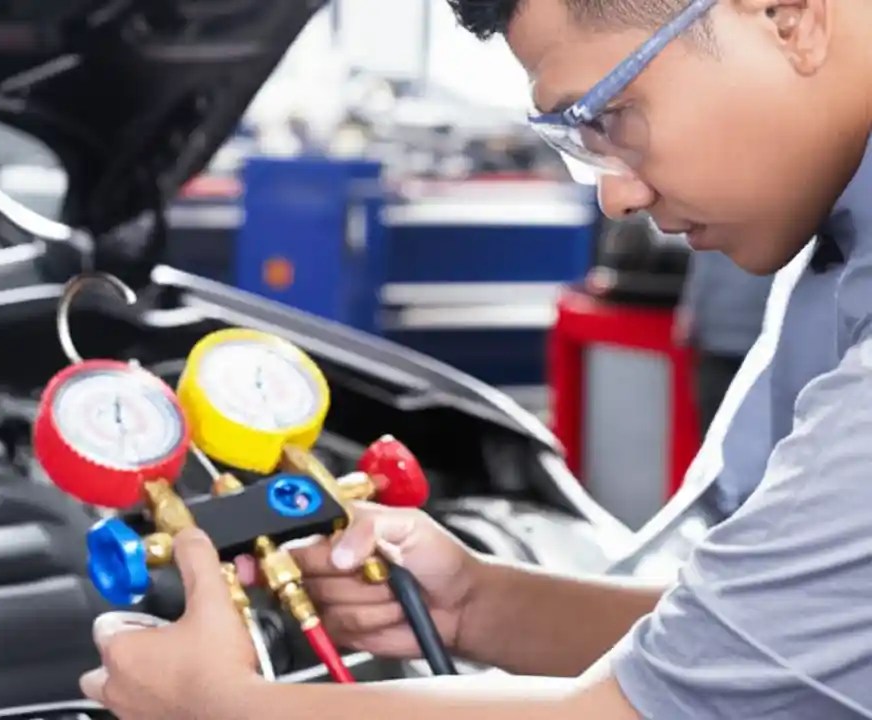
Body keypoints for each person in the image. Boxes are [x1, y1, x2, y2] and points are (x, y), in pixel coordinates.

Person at [77, 0, 872, 715]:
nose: (615, 196)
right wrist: (479, 606)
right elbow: (761, 642)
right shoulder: (834, 254)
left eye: (612, 115)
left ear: (787, 15)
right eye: (579, 142)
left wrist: (225, 709)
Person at [674, 249, 772, 437]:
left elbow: (700, 274)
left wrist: (687, 314)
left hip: (721, 341)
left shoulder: (710, 226)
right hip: (752, 342)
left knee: (716, 431)